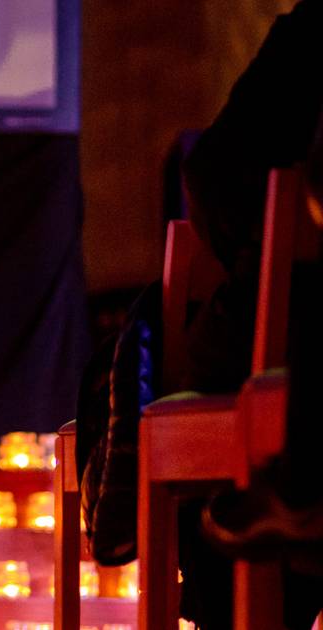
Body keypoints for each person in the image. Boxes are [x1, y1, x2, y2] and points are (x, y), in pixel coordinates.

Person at [176, 0, 323, 627]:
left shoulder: (317, 32)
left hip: (294, 322)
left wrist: (260, 258)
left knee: (217, 375)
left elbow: (215, 175)